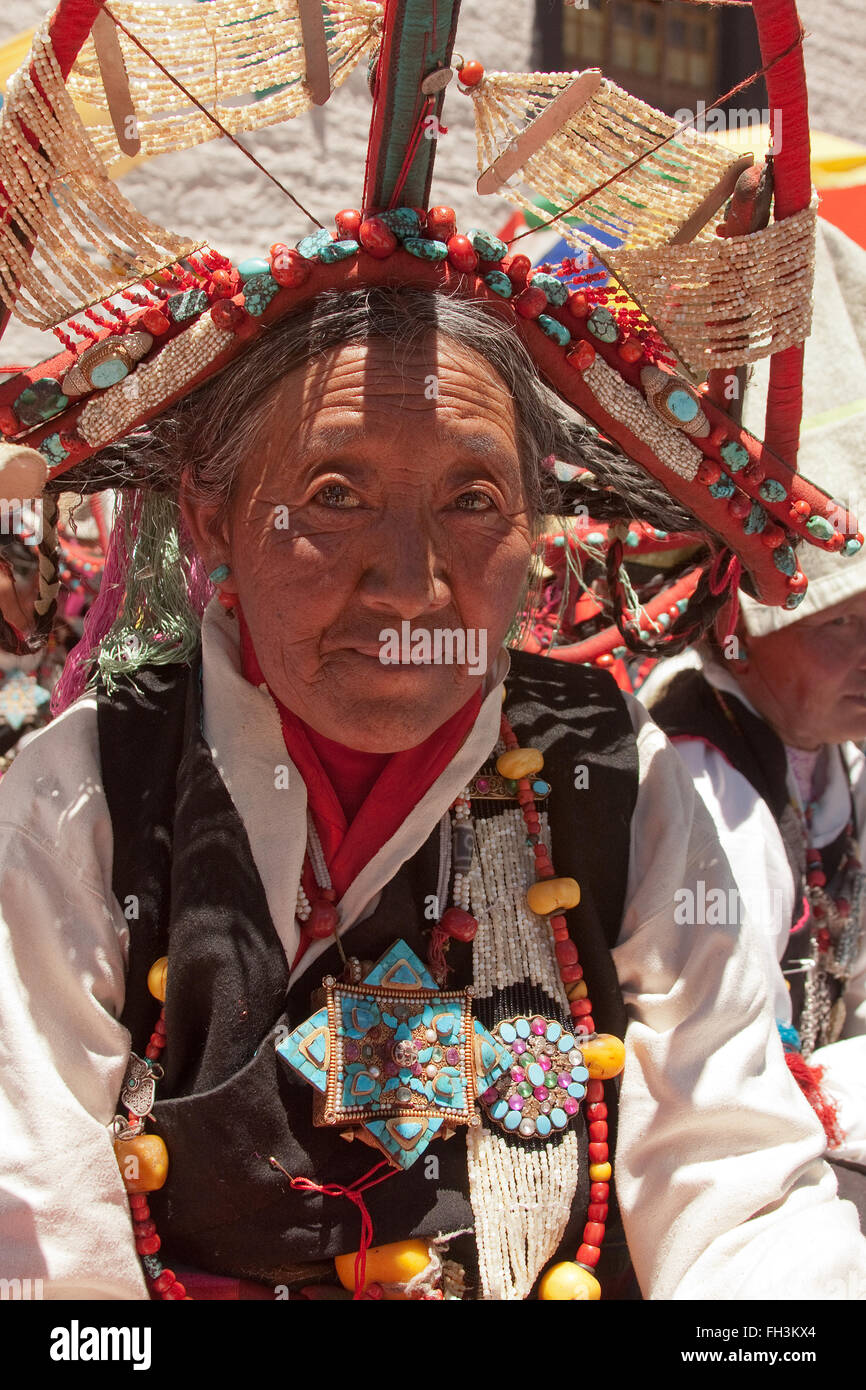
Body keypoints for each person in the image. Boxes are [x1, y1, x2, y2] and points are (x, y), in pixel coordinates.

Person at [1, 0, 864, 1303]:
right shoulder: (80, 806)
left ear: (532, 531)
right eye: (334, 493)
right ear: (216, 518)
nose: (408, 579)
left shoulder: (639, 798)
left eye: (471, 499)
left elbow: (732, 1191)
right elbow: (43, 1236)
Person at [642, 221, 866, 1212]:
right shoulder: (688, 775)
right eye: (842, 624)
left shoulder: (831, 759)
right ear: (739, 614)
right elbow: (715, 1098)